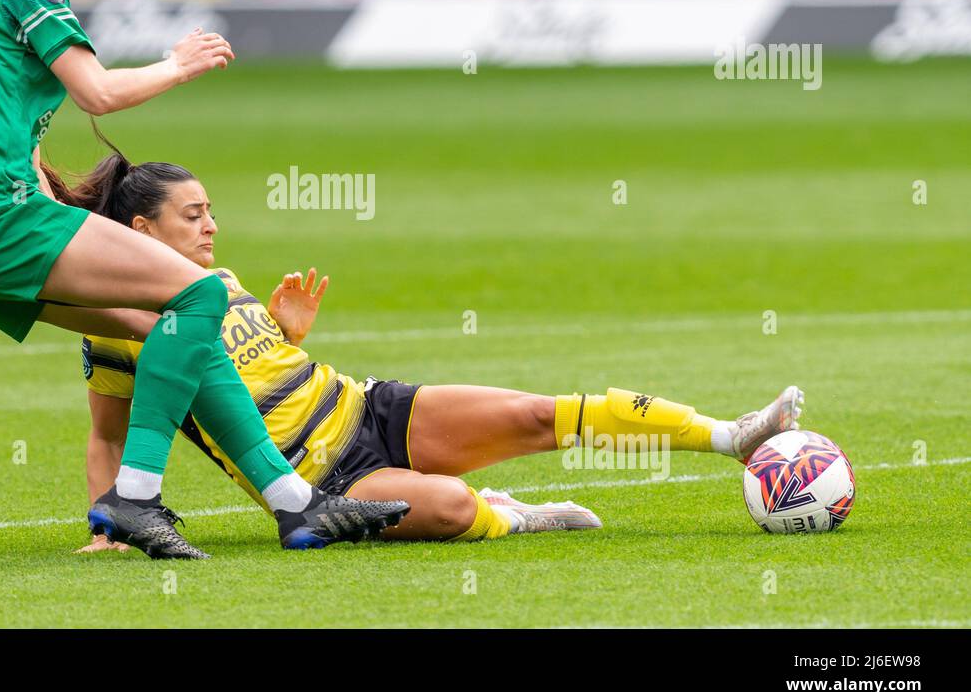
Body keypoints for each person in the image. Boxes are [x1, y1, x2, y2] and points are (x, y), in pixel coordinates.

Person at [0, 0, 408, 559]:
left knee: (169, 328)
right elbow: (97, 92)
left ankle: (297, 504)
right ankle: (136, 496)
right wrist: (179, 63)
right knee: (201, 293)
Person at [39, 151, 805, 551]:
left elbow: (254, 367)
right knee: (449, 506)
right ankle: (512, 517)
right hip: (324, 478)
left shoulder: (222, 280)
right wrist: (106, 531)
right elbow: (109, 435)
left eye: (213, 212)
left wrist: (288, 335)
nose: (211, 228)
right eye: (194, 215)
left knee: (541, 414)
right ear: (142, 233)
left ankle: (732, 435)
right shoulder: (116, 328)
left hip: (368, 404)